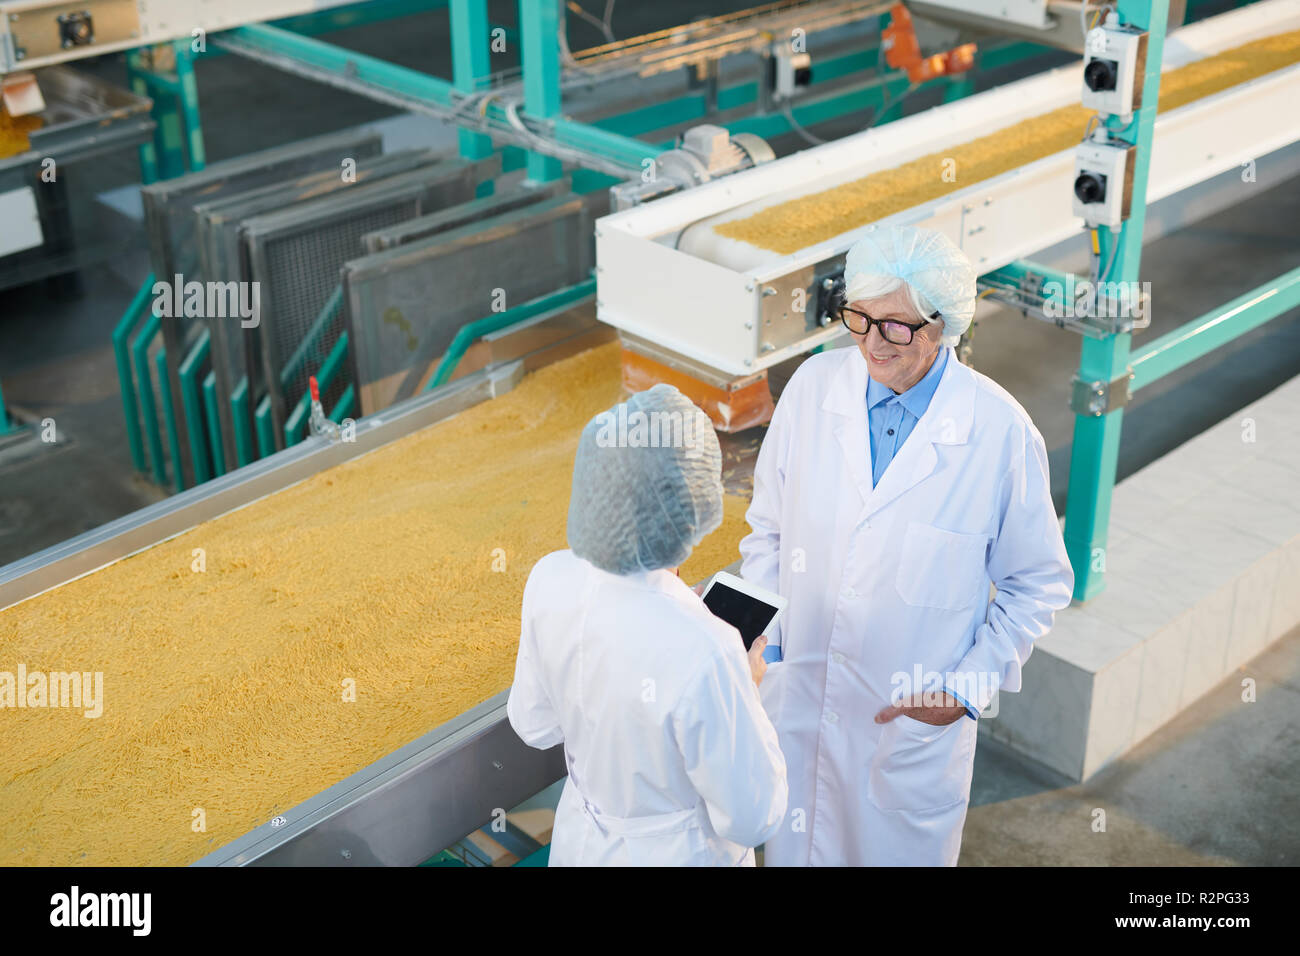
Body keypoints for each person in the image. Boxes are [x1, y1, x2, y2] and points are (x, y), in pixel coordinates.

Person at [740, 224, 1074, 866]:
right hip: (797, 701)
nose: (872, 343)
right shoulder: (814, 388)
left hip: (908, 731)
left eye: (896, 326)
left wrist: (968, 687)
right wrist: (769, 642)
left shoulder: (998, 432)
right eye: (858, 318)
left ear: (943, 323)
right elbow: (769, 530)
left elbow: (1038, 584)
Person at [508, 383, 788, 866]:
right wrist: (748, 686)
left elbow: (534, 725)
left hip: (583, 844)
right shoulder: (710, 647)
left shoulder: (550, 577)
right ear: (693, 509)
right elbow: (753, 816)